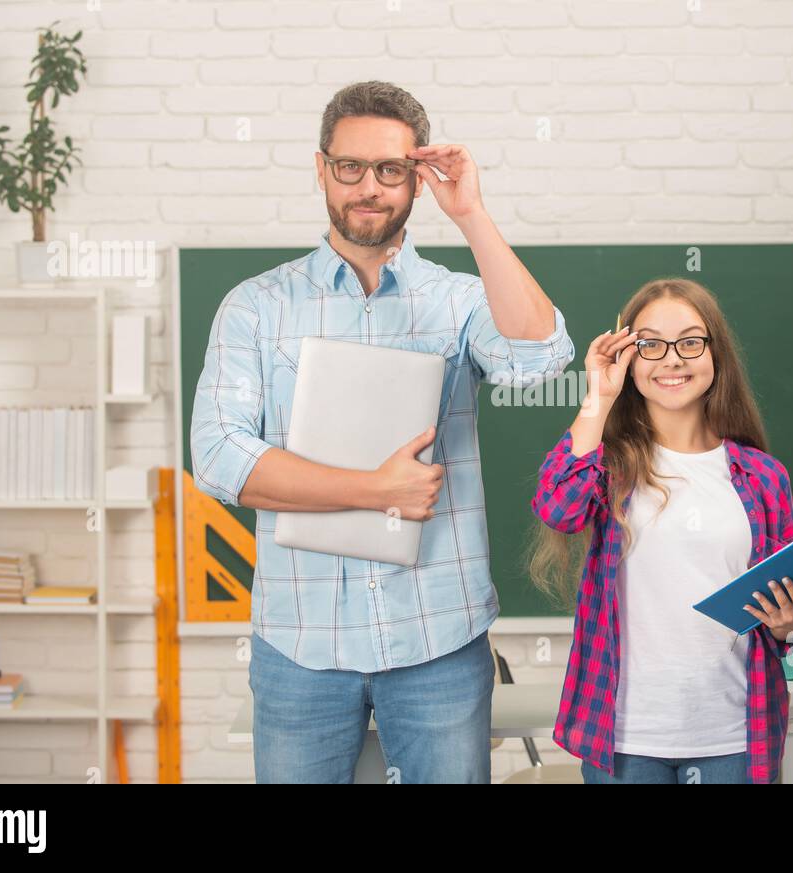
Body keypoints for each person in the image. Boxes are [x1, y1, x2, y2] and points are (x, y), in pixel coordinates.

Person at [190, 81, 575, 783]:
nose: (369, 188)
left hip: (439, 641)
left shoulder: (460, 300)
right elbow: (218, 457)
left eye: (391, 170)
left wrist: (474, 214)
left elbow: (540, 356)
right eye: (350, 167)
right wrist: (372, 490)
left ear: (417, 179)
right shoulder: (254, 307)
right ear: (320, 168)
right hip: (300, 646)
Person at [528, 277, 793, 784]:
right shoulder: (609, 466)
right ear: (629, 359)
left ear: (715, 355)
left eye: (690, 342)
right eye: (650, 345)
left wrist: (790, 624)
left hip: (735, 736)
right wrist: (598, 397)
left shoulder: (763, 476)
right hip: (626, 740)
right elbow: (557, 508)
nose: (672, 359)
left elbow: (784, 622)